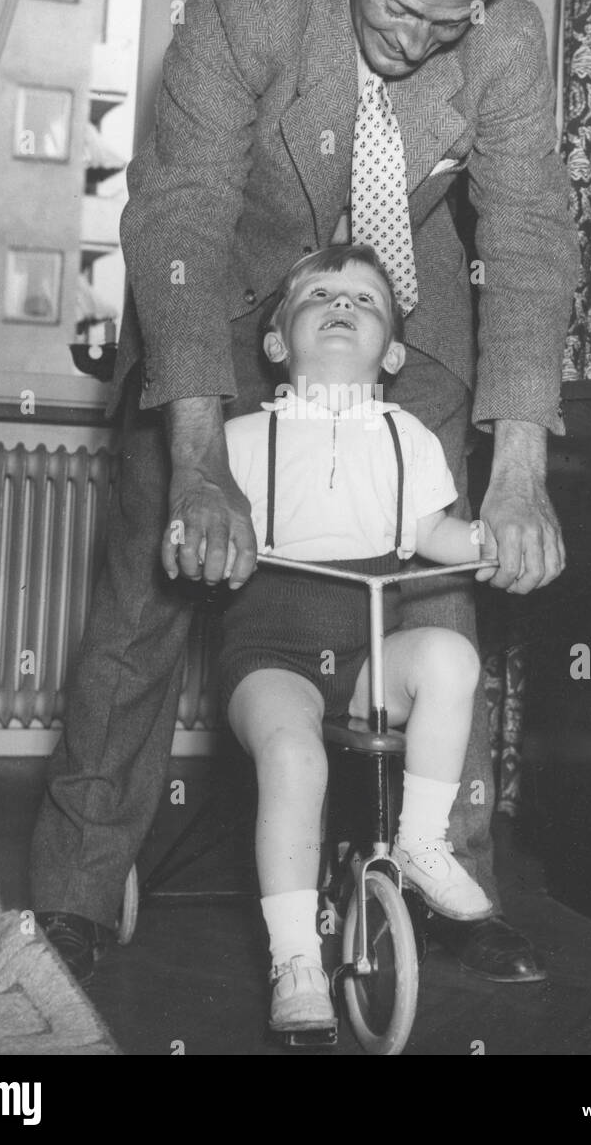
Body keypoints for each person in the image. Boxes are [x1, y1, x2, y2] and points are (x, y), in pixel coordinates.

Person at [30, 0, 579, 986]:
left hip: (405, 312)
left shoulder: (507, 39)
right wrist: (196, 464)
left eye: (450, 24)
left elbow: (527, 244)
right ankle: (77, 890)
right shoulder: (247, 6)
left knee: (440, 593)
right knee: (151, 585)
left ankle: (439, 873)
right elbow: (176, 220)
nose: (419, 43)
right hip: (223, 295)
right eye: (399, 11)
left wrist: (518, 464)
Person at [220, 243, 495, 1033]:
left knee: (449, 654)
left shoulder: (406, 435)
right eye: (321, 295)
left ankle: (419, 843)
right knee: (294, 754)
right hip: (272, 657)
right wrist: (198, 541)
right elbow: (210, 535)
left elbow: (434, 533)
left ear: (394, 354)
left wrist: (493, 542)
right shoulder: (243, 439)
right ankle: (294, 957)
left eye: (365, 300)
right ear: (277, 342)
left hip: (367, 651)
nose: (342, 305)